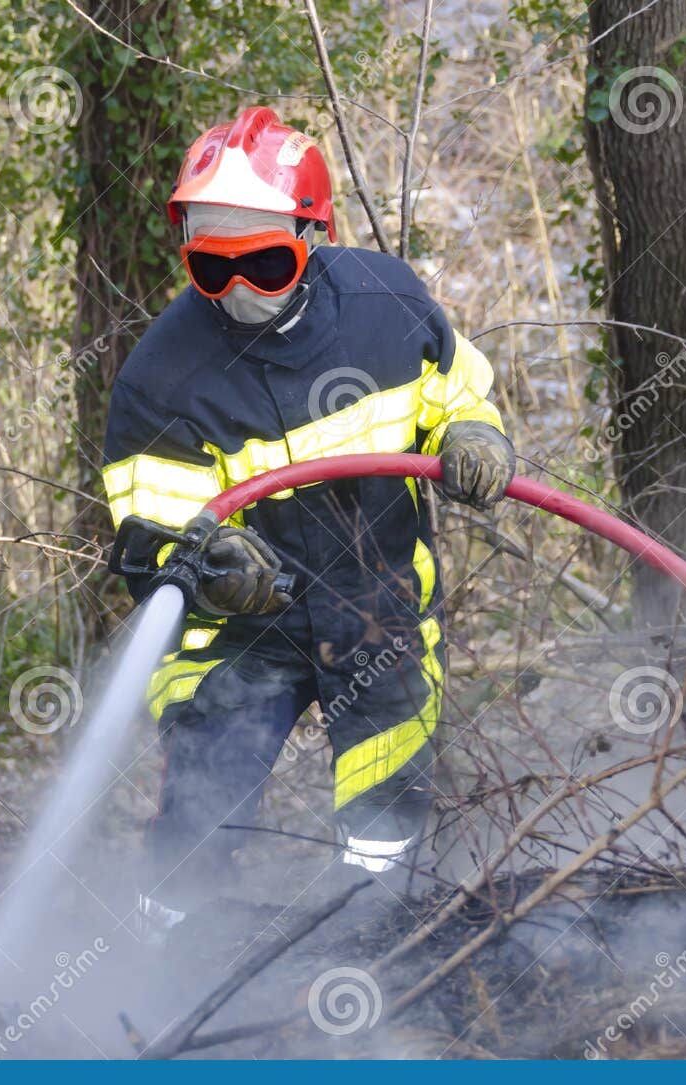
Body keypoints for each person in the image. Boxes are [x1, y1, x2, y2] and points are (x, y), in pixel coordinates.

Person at [101, 106, 514, 939]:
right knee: (202, 811)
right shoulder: (162, 376)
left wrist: (475, 434)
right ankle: (160, 963)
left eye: (264, 261)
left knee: (384, 809)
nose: (241, 291)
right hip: (234, 636)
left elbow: (457, 392)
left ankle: (377, 946)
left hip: (381, 607)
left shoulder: (387, 307)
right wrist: (210, 560)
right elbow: (146, 536)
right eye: (213, 271)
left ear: (311, 234)